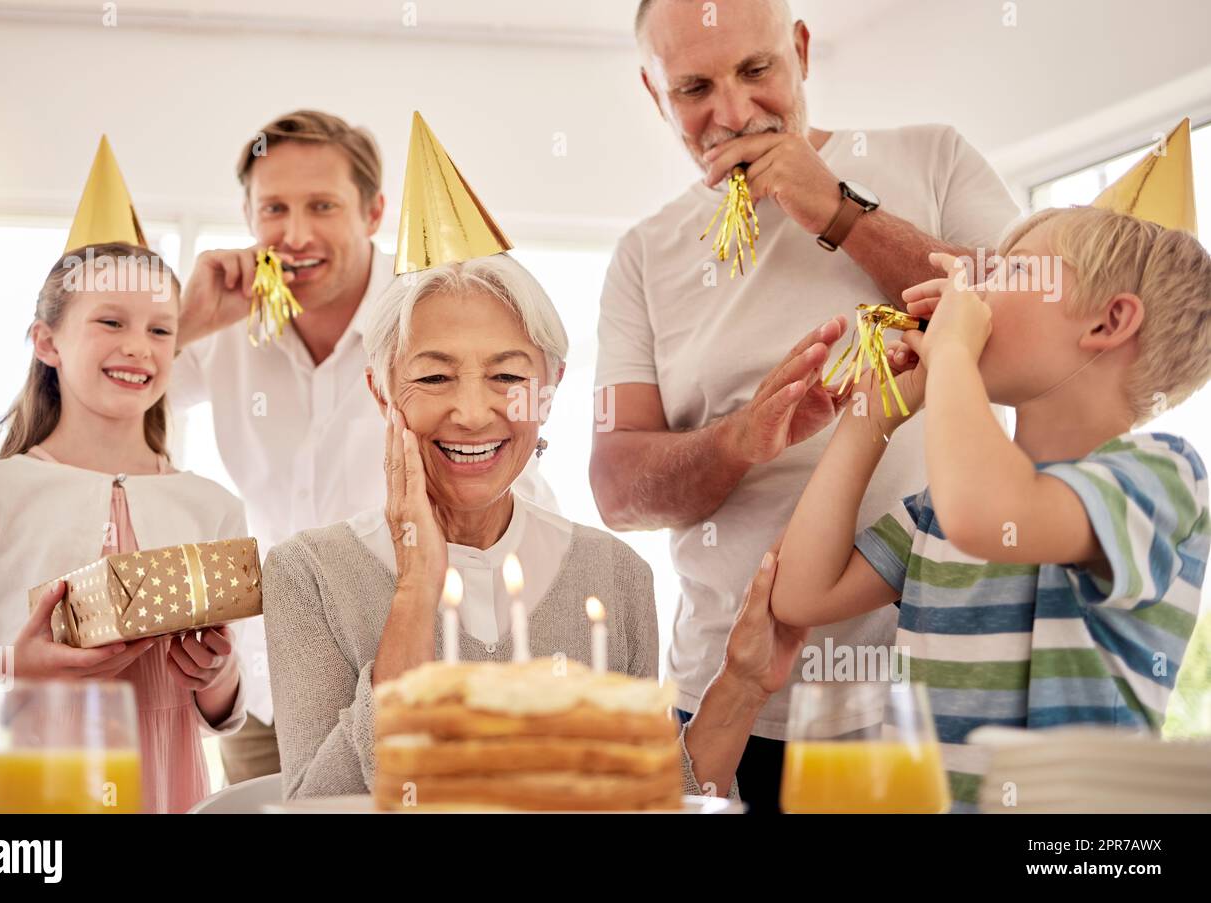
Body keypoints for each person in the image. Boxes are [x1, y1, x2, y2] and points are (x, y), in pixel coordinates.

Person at [263, 117, 808, 803]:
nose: (471, 411)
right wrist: (415, 589)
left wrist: (742, 682)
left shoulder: (615, 575)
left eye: (507, 377)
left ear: (547, 392)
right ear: (380, 391)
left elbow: (651, 795)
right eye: (433, 378)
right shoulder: (307, 575)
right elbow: (321, 804)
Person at [589, 0, 1021, 810]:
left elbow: (1030, 328)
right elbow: (617, 486)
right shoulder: (643, 257)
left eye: (757, 70)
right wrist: (739, 440)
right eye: (693, 88)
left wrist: (840, 213)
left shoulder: (933, 158)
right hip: (732, 701)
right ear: (655, 96)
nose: (734, 112)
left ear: (801, 50)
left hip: (939, 690)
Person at [769, 199, 1211, 811]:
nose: (976, 292)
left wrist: (951, 353)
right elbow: (800, 594)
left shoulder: (1163, 476)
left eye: (1014, 273)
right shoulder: (941, 507)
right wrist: (873, 420)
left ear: (1109, 323)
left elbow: (995, 515)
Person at [170, 110, 554, 784]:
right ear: (246, 214)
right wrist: (186, 324)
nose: (294, 235)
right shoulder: (225, 326)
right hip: (270, 686)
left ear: (374, 212)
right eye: (274, 208)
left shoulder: (427, 319)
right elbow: (109, 411)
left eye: (322, 206)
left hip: (417, 659)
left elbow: (512, 474)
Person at [0, 204, 248, 811]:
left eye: (161, 330)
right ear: (47, 342)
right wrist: (18, 669)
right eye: (111, 322)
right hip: (32, 797)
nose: (139, 348)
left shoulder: (213, 506)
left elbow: (222, 709)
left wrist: (215, 676)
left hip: (170, 794)